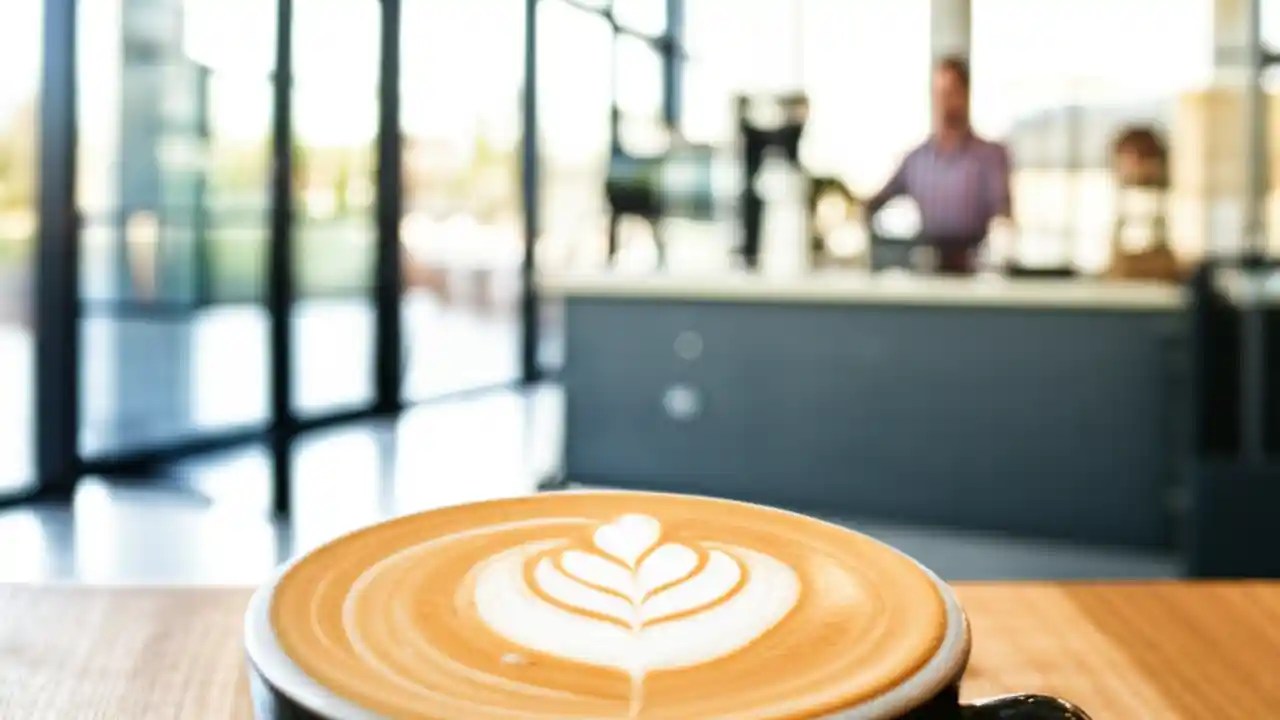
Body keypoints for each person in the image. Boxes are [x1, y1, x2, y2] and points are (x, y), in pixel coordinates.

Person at [864, 57, 1012, 274]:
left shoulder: (990, 157)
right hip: (928, 269)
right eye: (938, 94)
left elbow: (1002, 216)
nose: (943, 101)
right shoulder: (916, 160)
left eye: (950, 92)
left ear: (965, 94)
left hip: (975, 270)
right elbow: (875, 202)